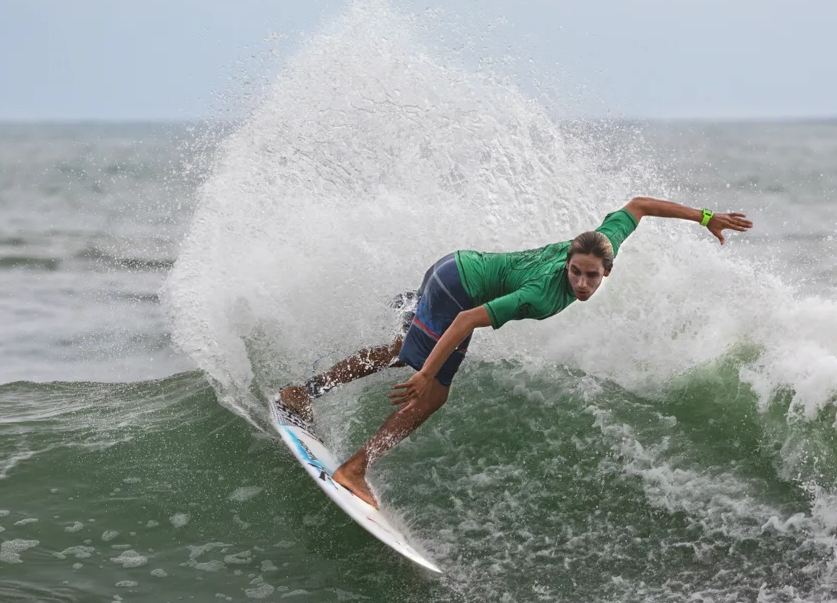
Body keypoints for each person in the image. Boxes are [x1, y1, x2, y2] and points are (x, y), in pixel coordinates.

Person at [276, 197, 753, 507]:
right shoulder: (541, 295)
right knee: (433, 391)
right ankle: (354, 468)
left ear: (607, 268)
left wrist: (708, 219)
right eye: (576, 273)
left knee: (404, 348)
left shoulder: (603, 240)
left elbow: (640, 206)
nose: (582, 283)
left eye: (591, 276)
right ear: (569, 262)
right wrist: (427, 376)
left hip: (451, 265)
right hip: (457, 291)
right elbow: (467, 321)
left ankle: (304, 391)